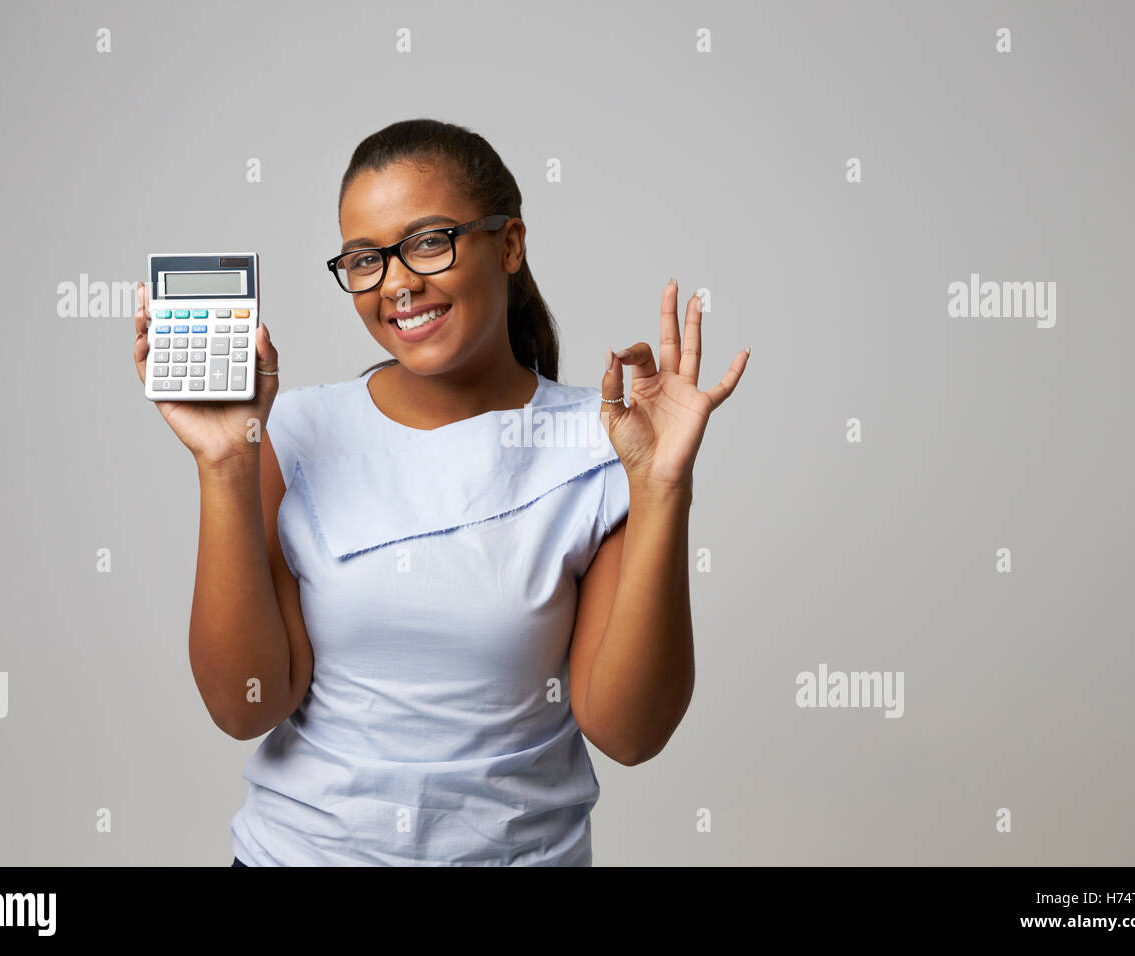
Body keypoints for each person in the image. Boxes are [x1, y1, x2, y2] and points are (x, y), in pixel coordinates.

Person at [131, 118, 749, 866]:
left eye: (428, 241)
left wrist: (661, 488)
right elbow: (244, 706)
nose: (397, 282)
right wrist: (225, 465)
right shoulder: (293, 430)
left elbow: (629, 733)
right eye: (365, 259)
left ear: (510, 244)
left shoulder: (605, 440)